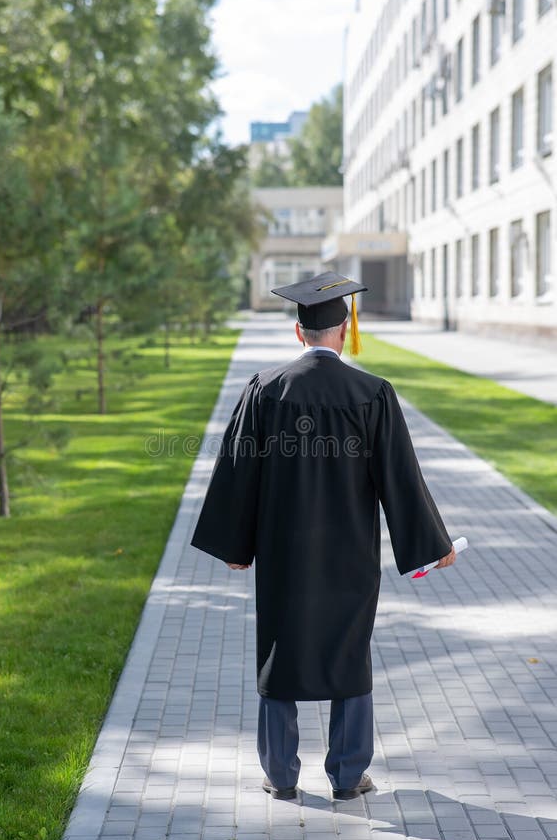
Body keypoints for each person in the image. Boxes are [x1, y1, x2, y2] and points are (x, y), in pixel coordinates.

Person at [190, 271, 457, 801]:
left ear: (299, 332)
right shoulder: (372, 393)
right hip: (349, 554)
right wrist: (432, 545)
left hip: (284, 553)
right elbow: (400, 477)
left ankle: (281, 776)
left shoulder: (264, 390)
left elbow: (239, 470)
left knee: (279, 651)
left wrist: (236, 547)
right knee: (348, 652)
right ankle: (347, 774)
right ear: (344, 330)